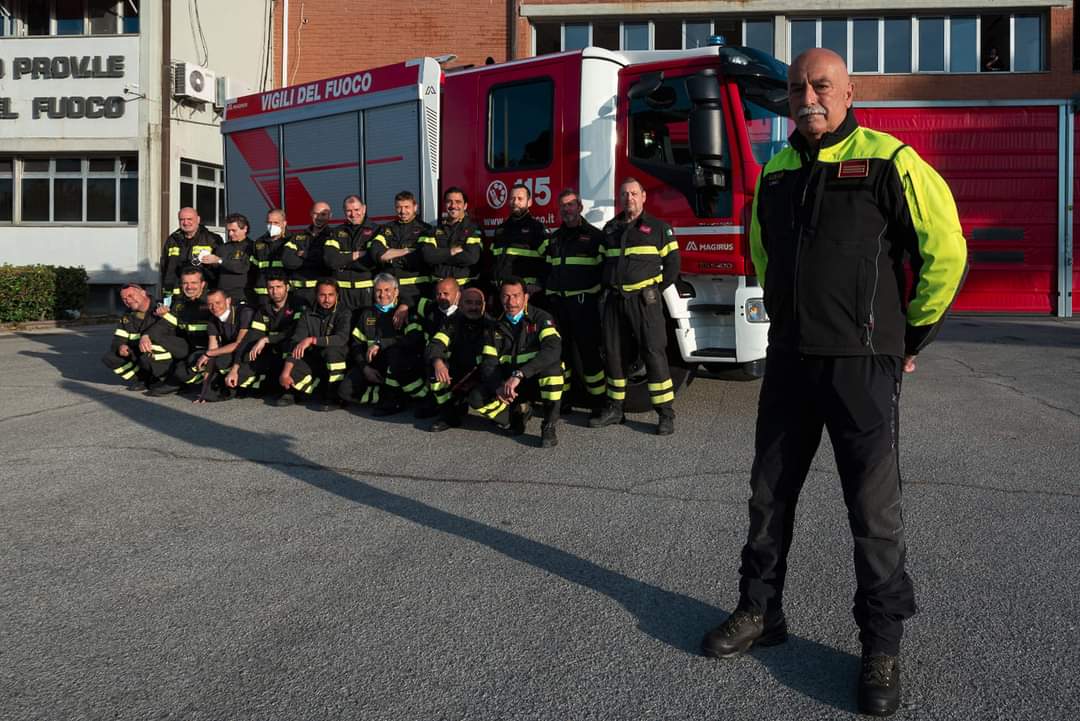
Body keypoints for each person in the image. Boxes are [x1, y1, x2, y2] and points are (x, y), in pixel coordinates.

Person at [699, 49, 967, 718]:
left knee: (873, 515)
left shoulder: (891, 160)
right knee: (768, 495)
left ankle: (881, 645)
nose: (807, 96)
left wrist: (910, 336)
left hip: (861, 366)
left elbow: (948, 248)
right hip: (792, 360)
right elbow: (762, 251)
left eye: (821, 85)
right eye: (797, 87)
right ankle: (761, 610)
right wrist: (786, 313)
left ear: (851, 90)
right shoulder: (777, 172)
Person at [588, 177, 680, 435]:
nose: (629, 198)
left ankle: (665, 413)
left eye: (634, 193)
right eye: (624, 194)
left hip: (643, 302)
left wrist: (654, 290)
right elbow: (599, 264)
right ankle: (615, 409)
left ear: (643, 196)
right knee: (614, 355)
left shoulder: (659, 228)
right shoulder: (610, 229)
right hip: (614, 302)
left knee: (653, 352)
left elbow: (673, 265)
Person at [469, 277, 563, 448]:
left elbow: (552, 350)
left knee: (553, 371)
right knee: (476, 398)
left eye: (516, 295)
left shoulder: (541, 318)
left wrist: (520, 374)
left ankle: (549, 425)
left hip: (532, 380)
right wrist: (498, 386)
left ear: (526, 297)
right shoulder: (494, 326)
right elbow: (489, 363)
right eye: (506, 296)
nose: (511, 301)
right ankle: (515, 415)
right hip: (509, 386)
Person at [544, 188, 607, 413]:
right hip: (559, 307)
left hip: (583, 306)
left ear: (579, 207)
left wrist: (594, 295)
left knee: (589, 355)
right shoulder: (554, 238)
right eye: (563, 205)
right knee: (562, 355)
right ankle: (565, 400)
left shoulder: (595, 236)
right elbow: (547, 269)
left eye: (570, 204)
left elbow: (604, 272)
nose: (566, 209)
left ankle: (599, 404)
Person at [339, 273, 428, 416]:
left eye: (387, 290)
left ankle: (416, 398)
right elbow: (357, 345)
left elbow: (413, 339)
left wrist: (381, 343)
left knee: (395, 356)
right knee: (345, 390)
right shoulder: (367, 314)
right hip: (374, 365)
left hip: (401, 363)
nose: (382, 294)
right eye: (378, 290)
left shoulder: (405, 312)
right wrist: (365, 368)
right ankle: (385, 396)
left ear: (396, 292)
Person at [228, 271, 305, 403]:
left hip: (293, 351)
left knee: (290, 345)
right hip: (272, 351)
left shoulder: (297, 306)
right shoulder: (264, 309)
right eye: (271, 288)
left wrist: (266, 339)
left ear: (287, 287)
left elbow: (294, 333)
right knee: (249, 350)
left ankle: (289, 392)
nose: (275, 292)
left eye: (279, 287)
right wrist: (235, 368)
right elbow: (251, 337)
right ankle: (265, 385)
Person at [102, 284, 189, 393]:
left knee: (148, 351)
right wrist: (121, 346)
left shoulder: (162, 307)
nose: (128, 300)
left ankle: (170, 380)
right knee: (110, 357)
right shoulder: (127, 316)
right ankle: (142, 379)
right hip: (141, 350)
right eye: (124, 299)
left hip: (170, 349)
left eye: (130, 295)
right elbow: (118, 338)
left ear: (143, 293)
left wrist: (164, 316)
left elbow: (171, 330)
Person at [279, 279, 351, 411]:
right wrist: (285, 372)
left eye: (331, 295)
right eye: (322, 295)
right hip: (315, 359)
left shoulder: (344, 312)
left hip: (336, 359)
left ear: (337, 296)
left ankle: (334, 396)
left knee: (332, 351)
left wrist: (312, 340)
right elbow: (296, 340)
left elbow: (342, 338)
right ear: (316, 295)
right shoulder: (307, 314)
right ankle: (292, 392)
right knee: (291, 364)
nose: (327, 299)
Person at [426, 286, 489, 432]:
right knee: (434, 370)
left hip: (483, 374)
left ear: (484, 305)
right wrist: (438, 362)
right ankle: (449, 414)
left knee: (480, 397)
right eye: (469, 302)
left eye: (477, 303)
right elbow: (436, 343)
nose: (473, 307)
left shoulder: (491, 325)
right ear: (460, 304)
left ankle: (512, 416)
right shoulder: (452, 322)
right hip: (460, 371)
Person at [181, 289, 256, 403]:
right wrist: (204, 390)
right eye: (210, 304)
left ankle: (242, 387)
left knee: (221, 361)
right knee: (202, 363)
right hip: (233, 352)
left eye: (218, 303)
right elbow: (212, 351)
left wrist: (208, 354)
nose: (214, 307)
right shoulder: (212, 320)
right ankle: (217, 386)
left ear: (228, 301)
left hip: (251, 353)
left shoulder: (245, 313)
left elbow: (239, 344)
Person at [370, 190, 433, 316]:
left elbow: (419, 259)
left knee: (414, 328)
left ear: (415, 207)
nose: (402, 211)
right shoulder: (387, 229)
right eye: (399, 207)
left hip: (416, 291)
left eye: (406, 207)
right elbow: (376, 252)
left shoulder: (426, 230)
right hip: (391, 293)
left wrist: (390, 255)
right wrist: (405, 251)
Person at [485, 184, 548, 304]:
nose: (515, 202)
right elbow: (493, 262)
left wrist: (539, 284)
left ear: (529, 202)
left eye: (520, 199)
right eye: (512, 198)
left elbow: (550, 259)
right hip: (501, 294)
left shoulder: (536, 229)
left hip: (526, 294)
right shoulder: (501, 229)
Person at [156, 267, 210, 391]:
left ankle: (198, 382)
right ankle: (170, 378)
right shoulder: (179, 303)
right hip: (188, 346)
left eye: (193, 283)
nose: (189, 287)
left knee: (186, 367)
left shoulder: (211, 302)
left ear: (202, 284)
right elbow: (165, 325)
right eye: (185, 283)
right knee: (154, 343)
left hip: (207, 349)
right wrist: (146, 336)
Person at [418, 187, 483, 285]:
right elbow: (428, 256)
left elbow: (471, 258)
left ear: (465, 206)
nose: (453, 205)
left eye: (458, 202)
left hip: (464, 288)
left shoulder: (473, 229)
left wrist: (440, 255)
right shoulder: (434, 230)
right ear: (445, 204)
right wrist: (451, 251)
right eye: (449, 202)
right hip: (439, 289)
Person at [324, 195, 378, 311]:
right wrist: (356, 255)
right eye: (349, 211)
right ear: (344, 211)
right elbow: (331, 260)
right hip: (342, 294)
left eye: (357, 210)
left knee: (365, 327)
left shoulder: (376, 231)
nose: (353, 214)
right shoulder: (336, 232)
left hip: (366, 293)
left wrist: (343, 260)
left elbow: (372, 261)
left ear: (364, 209)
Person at [159, 207, 222, 298]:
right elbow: (164, 266)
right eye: (182, 219)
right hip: (176, 294)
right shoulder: (172, 239)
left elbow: (220, 267)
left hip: (204, 294)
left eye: (189, 219)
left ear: (198, 219)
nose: (185, 222)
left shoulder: (212, 239)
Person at [282, 200, 334, 306]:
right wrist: (315, 257)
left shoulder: (334, 236)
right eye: (316, 213)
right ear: (311, 214)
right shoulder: (298, 236)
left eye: (323, 214)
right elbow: (287, 260)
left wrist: (304, 255)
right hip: (298, 293)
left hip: (322, 294)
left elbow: (327, 262)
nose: (319, 217)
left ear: (330, 216)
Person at [202, 213, 253, 305]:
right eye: (228, 230)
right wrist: (207, 264)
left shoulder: (251, 247)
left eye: (234, 230)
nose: (230, 234)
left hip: (242, 296)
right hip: (222, 295)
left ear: (245, 229)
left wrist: (220, 261)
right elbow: (214, 274)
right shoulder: (223, 248)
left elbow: (242, 267)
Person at [248, 208, 288, 304]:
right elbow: (252, 270)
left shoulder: (290, 241)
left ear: (284, 223)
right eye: (269, 223)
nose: (272, 226)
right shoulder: (259, 243)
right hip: (263, 294)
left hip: (284, 294)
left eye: (276, 223)